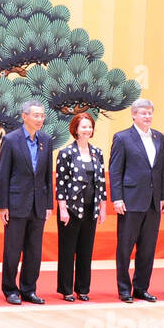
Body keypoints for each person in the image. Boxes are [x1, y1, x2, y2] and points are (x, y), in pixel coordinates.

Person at [109, 98, 164, 303]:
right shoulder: (123, 138)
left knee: (148, 248)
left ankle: (141, 288)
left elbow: (162, 171)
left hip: (153, 202)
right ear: (133, 114)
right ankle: (124, 289)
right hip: (130, 200)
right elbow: (115, 171)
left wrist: (163, 197)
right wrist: (117, 198)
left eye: (150, 113)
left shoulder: (159, 137)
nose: (147, 116)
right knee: (125, 248)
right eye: (143, 113)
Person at [0, 100, 53, 305]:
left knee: (34, 250)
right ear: (24, 116)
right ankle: (10, 289)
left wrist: (49, 205)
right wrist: (3, 205)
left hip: (38, 204)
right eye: (36, 115)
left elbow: (48, 175)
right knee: (12, 249)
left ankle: (29, 289)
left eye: (42, 116)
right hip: (16, 203)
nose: (40, 119)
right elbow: (3, 175)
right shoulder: (11, 140)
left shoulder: (46, 140)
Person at [55, 112, 105, 302]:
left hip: (91, 208)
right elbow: (60, 183)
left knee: (86, 250)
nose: (88, 130)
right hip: (71, 209)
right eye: (84, 126)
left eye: (90, 126)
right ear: (75, 129)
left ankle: (83, 288)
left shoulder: (97, 152)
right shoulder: (66, 152)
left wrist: (102, 207)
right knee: (67, 251)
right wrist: (62, 209)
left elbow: (101, 181)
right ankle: (66, 289)